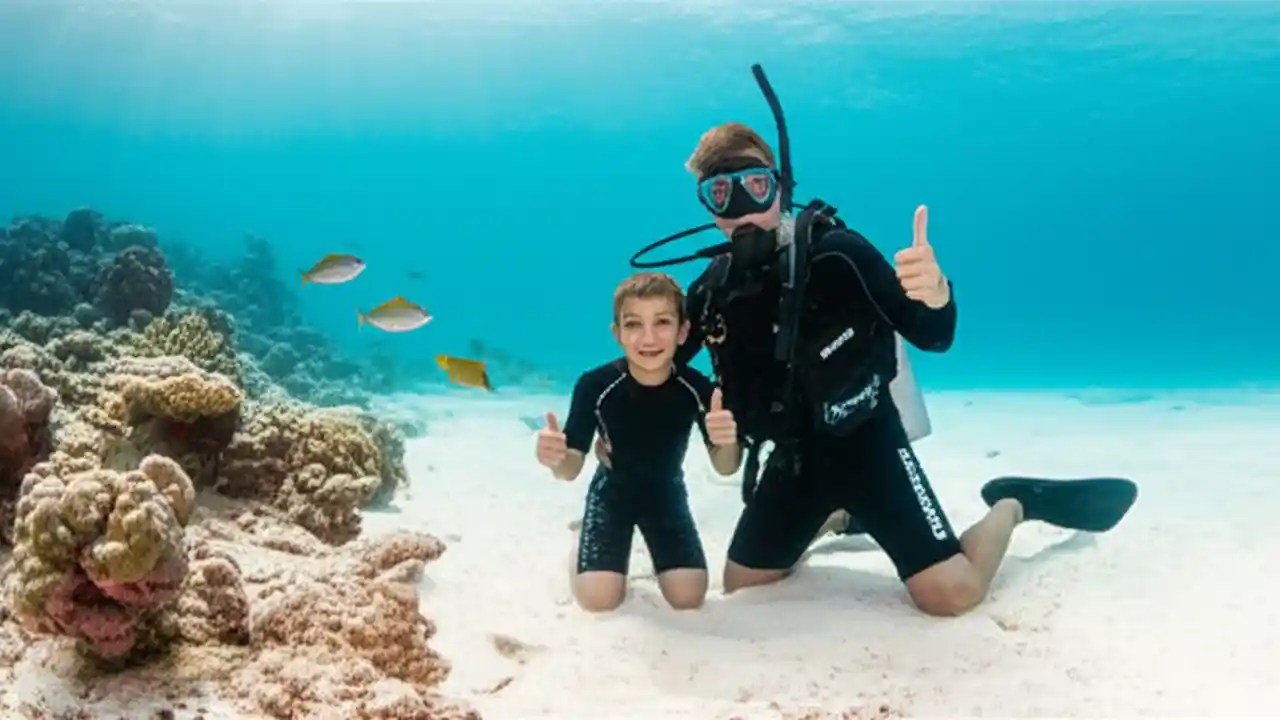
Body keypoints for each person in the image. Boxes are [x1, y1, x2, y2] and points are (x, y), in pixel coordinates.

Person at [621, 65, 1138, 617]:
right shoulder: (710, 292)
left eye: (756, 186)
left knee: (950, 595)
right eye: (722, 194)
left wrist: (935, 294)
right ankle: (842, 516)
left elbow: (933, 337)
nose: (743, 207)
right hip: (794, 462)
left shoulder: (837, 254)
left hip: (870, 447)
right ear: (707, 208)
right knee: (745, 583)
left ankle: (1014, 503)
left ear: (781, 187)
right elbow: (658, 371)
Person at [534, 272, 742, 612]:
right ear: (617, 334)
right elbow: (570, 469)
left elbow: (726, 466)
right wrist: (555, 458)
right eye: (633, 325)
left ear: (683, 331)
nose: (648, 337)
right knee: (599, 600)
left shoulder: (698, 389)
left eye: (662, 322)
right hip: (611, 495)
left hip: (666, 495)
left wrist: (728, 442)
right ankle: (581, 537)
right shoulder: (594, 385)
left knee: (688, 597)